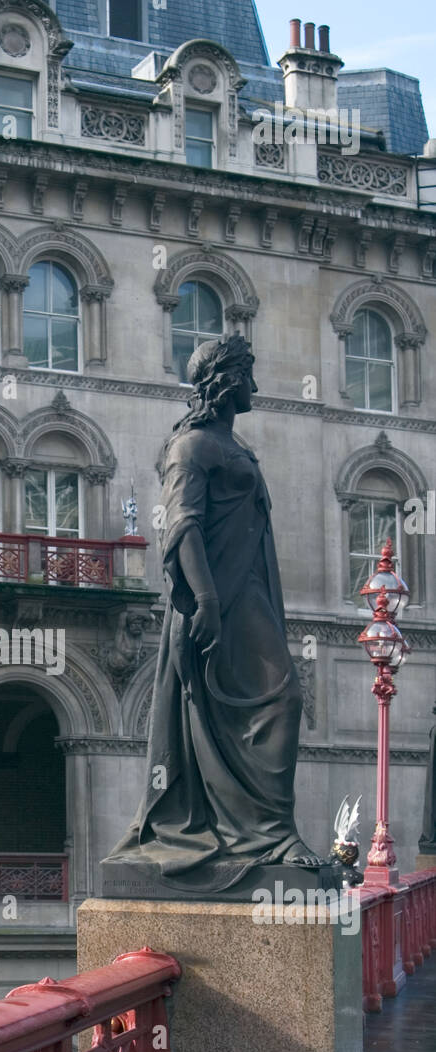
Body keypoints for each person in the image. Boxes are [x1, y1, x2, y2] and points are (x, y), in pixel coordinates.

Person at [107, 334, 324, 890]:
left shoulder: (231, 446)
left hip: (247, 593)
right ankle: (270, 833)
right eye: (246, 375)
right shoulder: (192, 447)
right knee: (283, 698)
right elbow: (182, 527)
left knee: (269, 703)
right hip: (217, 600)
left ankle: (262, 830)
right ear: (225, 382)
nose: (253, 385)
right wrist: (205, 600)